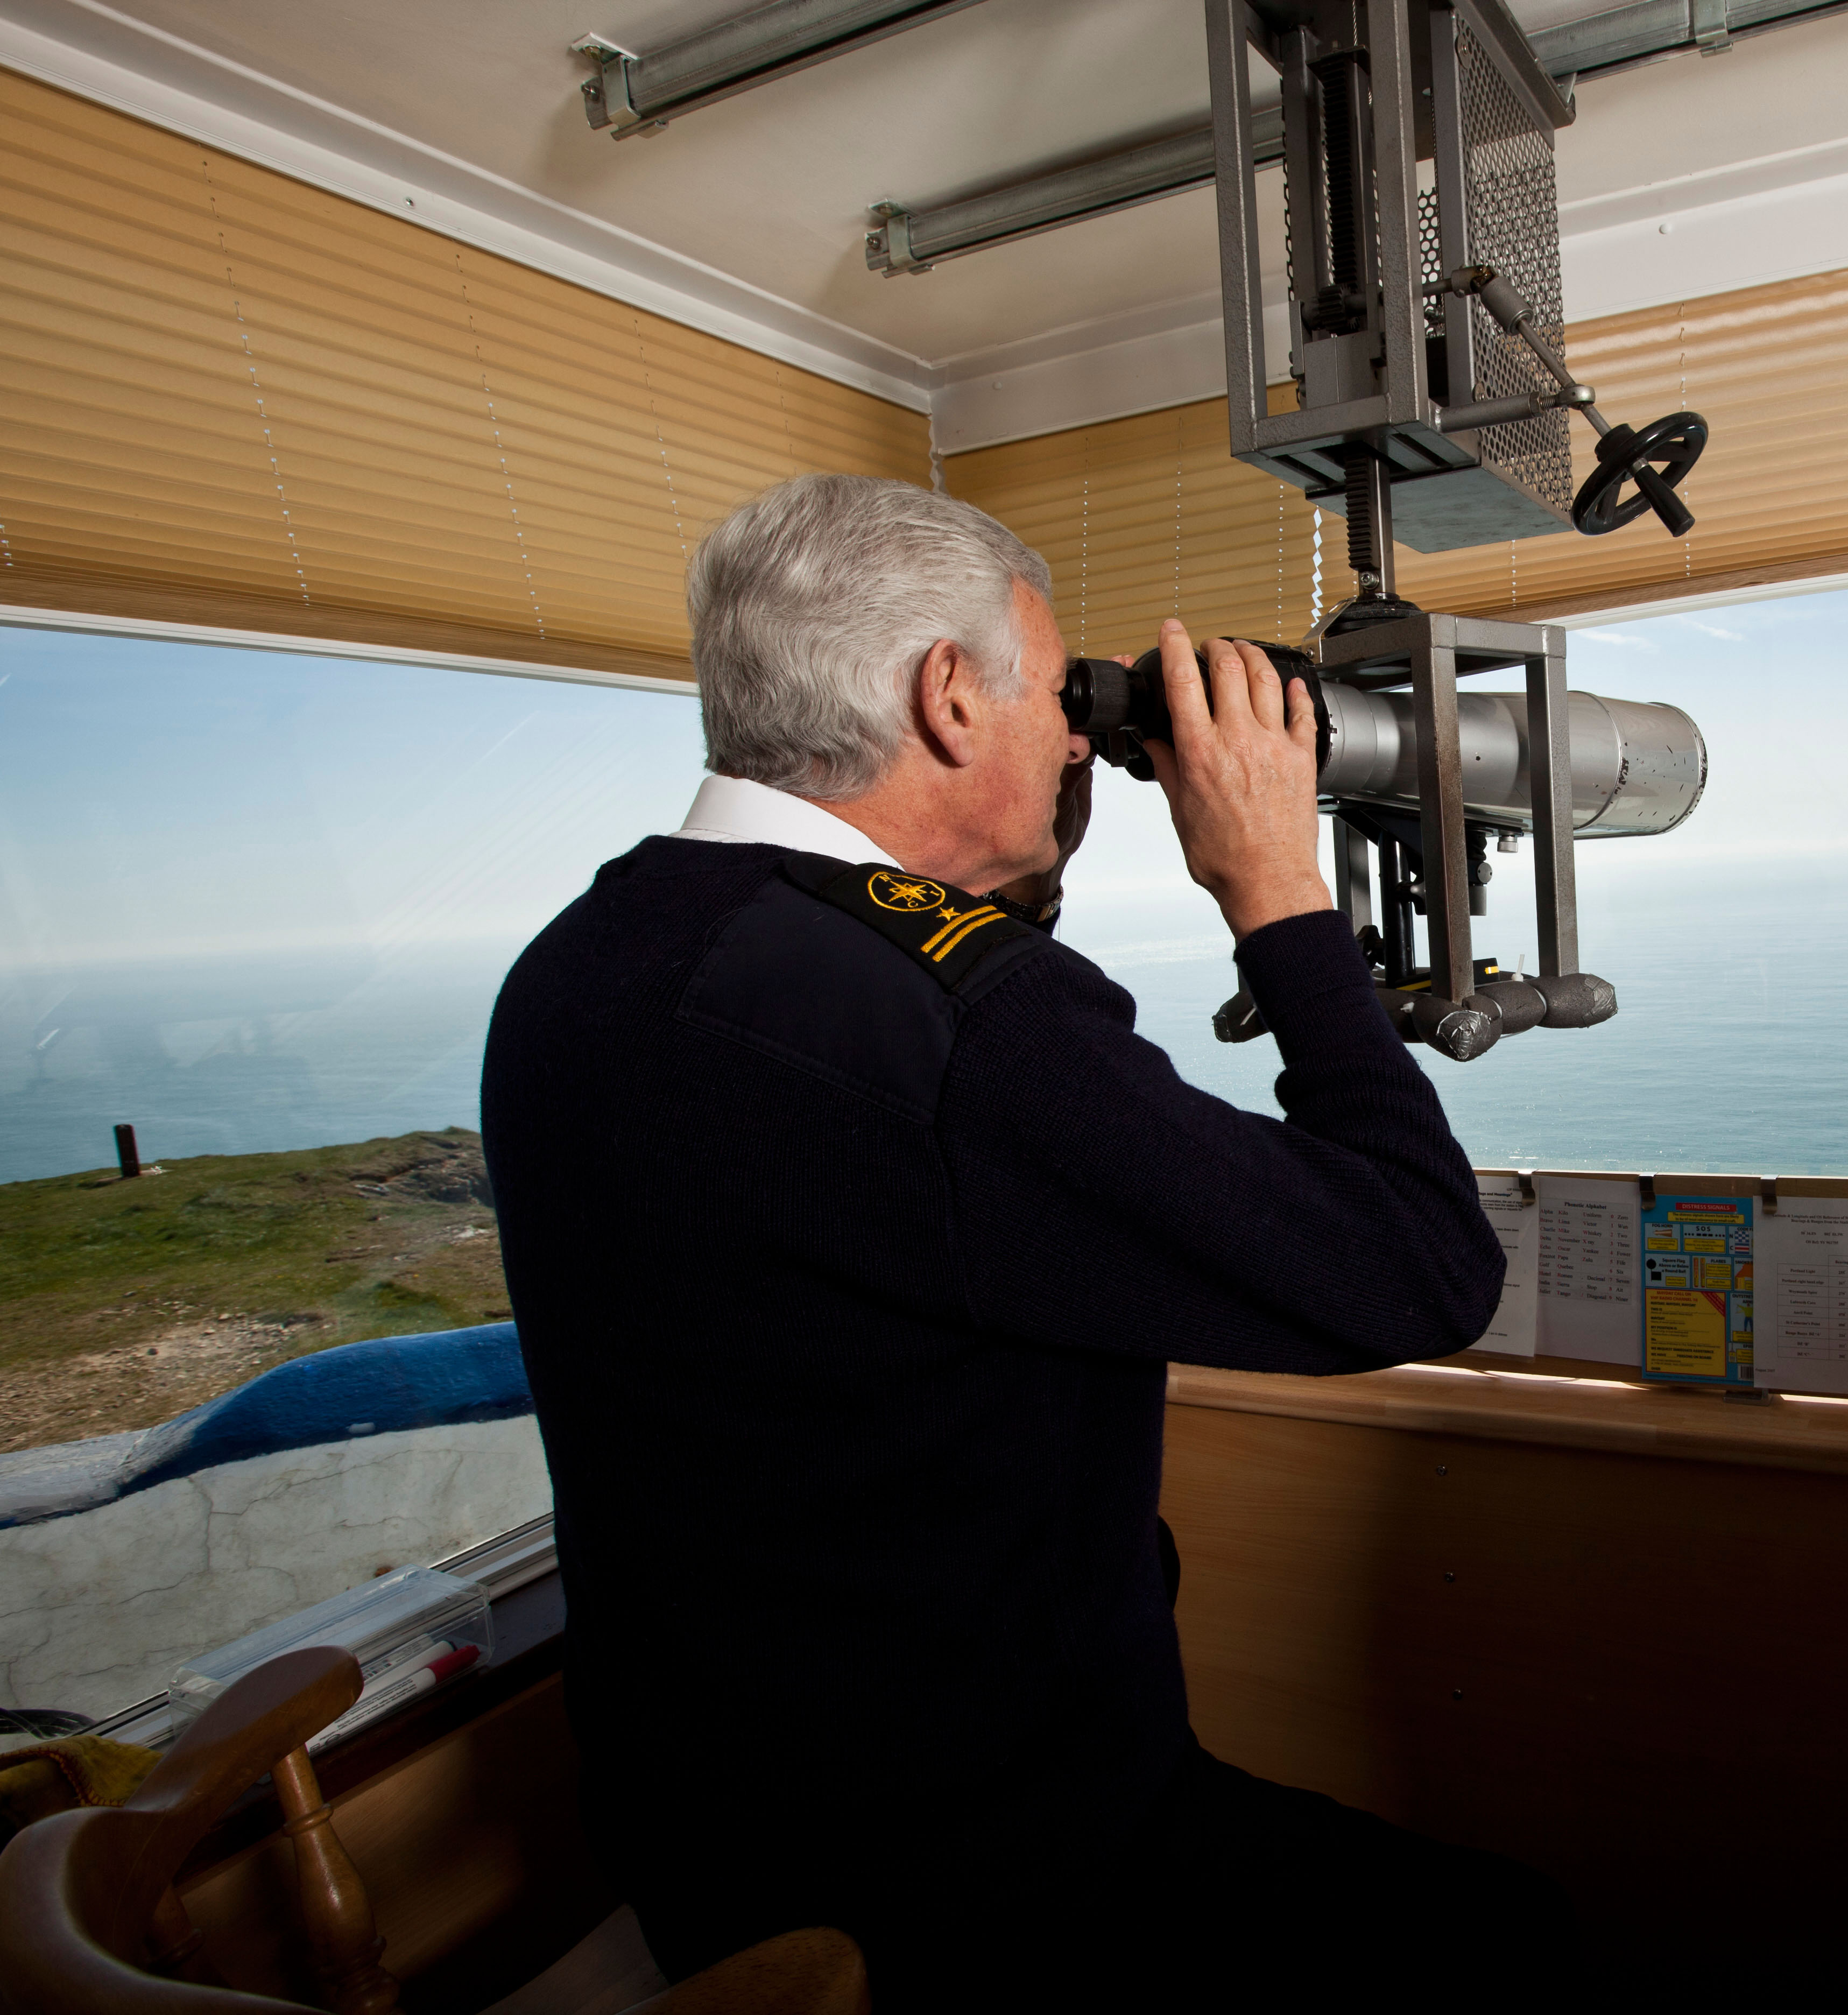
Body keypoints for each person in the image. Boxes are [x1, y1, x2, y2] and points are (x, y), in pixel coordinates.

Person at [481, 474, 1557, 2002]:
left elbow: (895, 1191)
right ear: (945, 696)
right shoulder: (957, 1031)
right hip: (991, 1877)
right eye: (1061, 700)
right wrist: (1276, 890)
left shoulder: (584, 964)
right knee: (1510, 1948)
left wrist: (1014, 874)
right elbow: (1422, 1268)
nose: (1080, 741)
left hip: (707, 1844)